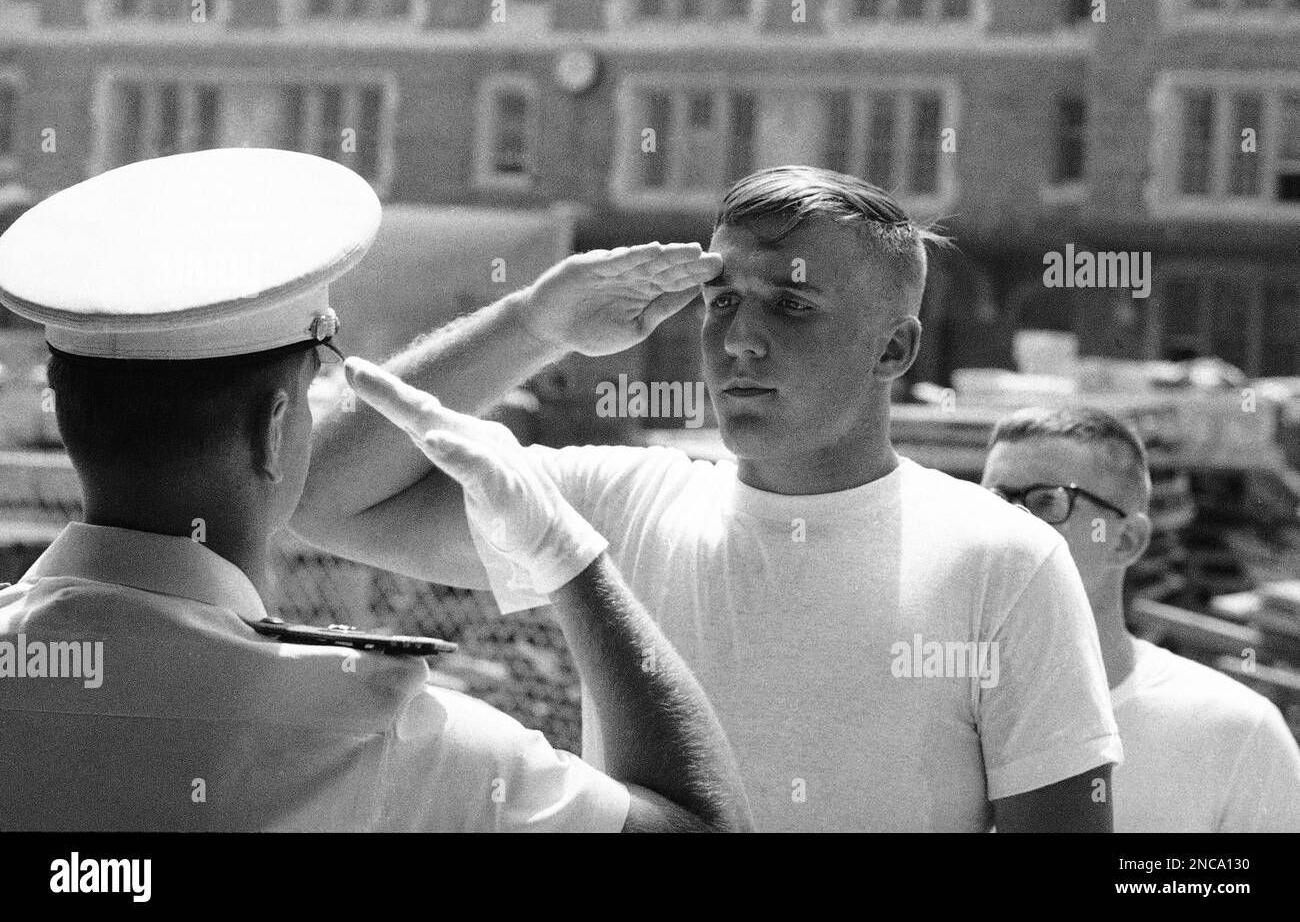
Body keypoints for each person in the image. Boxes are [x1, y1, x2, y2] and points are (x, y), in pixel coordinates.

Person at [295, 165, 1122, 831]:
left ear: (895, 347)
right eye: (721, 299)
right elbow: (318, 495)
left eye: (792, 305)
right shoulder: (614, 504)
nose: (738, 339)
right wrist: (532, 322)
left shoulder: (1004, 558)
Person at [0, 147, 750, 833]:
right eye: (313, 386)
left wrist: (529, 322)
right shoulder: (394, 741)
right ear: (275, 428)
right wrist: (571, 559)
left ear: (65, 410)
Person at [982, 406, 1300, 831]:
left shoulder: (1236, 732)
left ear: (1126, 540)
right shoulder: (934, 706)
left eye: (1047, 501)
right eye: (993, 500)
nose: (1008, 522)